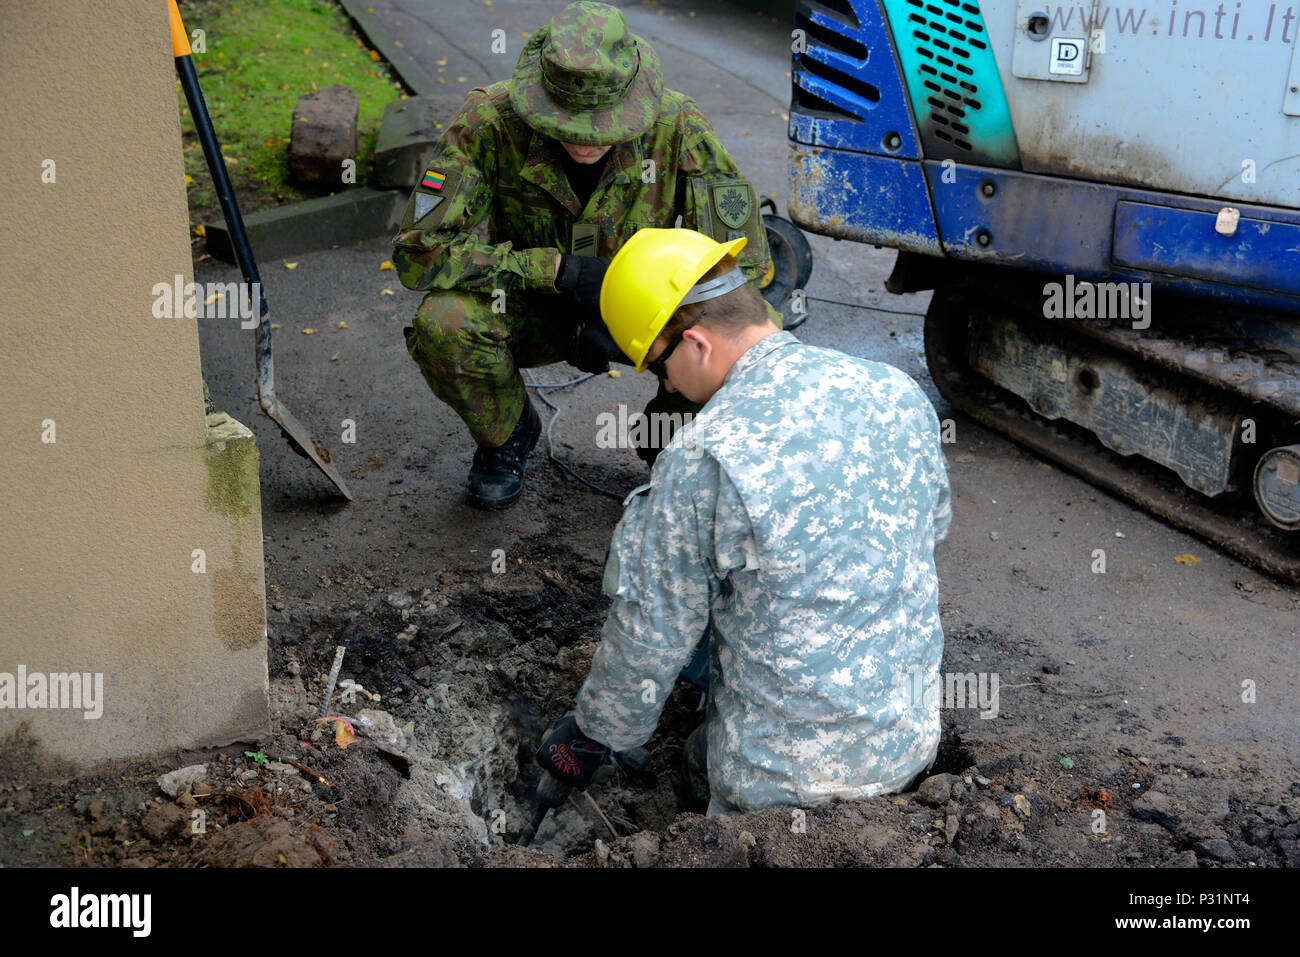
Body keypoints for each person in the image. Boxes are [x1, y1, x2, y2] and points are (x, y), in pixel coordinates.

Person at [535, 228, 952, 815]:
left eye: (659, 369)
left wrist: (593, 734)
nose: (668, 387)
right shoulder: (897, 393)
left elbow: (649, 640)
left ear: (697, 344)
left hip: (778, 787)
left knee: (698, 758)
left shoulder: (704, 455)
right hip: (908, 745)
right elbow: (931, 530)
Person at [393, 0, 779, 510]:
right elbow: (419, 254)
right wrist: (558, 271)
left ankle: (673, 440)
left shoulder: (678, 124)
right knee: (444, 323)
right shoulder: (490, 122)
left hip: (651, 317)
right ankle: (507, 434)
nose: (585, 141)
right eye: (568, 124)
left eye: (602, 125)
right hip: (530, 304)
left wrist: (653, 314)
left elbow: (744, 268)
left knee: (751, 333)